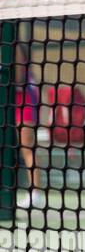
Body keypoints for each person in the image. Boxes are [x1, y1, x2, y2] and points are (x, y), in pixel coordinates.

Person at [12, 45, 44, 210]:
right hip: (15, 104)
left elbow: (16, 78)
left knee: (27, 149)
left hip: (25, 105)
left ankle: (36, 194)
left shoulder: (15, 49)